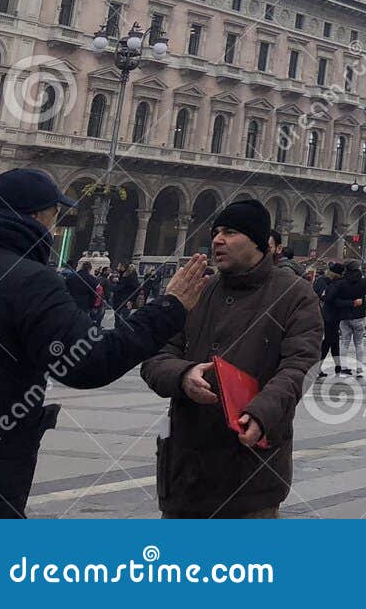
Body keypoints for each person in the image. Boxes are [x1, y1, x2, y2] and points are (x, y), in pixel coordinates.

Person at [0, 168, 209, 519]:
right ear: (35, 217)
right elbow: (88, 361)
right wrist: (169, 308)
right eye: (54, 215)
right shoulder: (30, 281)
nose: (55, 224)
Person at [141, 198, 323, 518]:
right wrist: (183, 375)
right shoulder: (198, 291)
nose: (217, 240)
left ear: (257, 241)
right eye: (216, 232)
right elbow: (156, 356)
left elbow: (300, 366)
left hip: (249, 473)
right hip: (185, 472)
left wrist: (262, 413)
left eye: (230, 232)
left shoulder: (294, 294)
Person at [326, 261, 366, 377]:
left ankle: (343, 367)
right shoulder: (363, 282)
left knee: (345, 343)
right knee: (359, 343)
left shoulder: (341, 283)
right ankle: (359, 368)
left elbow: (331, 298)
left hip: (345, 317)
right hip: (359, 316)